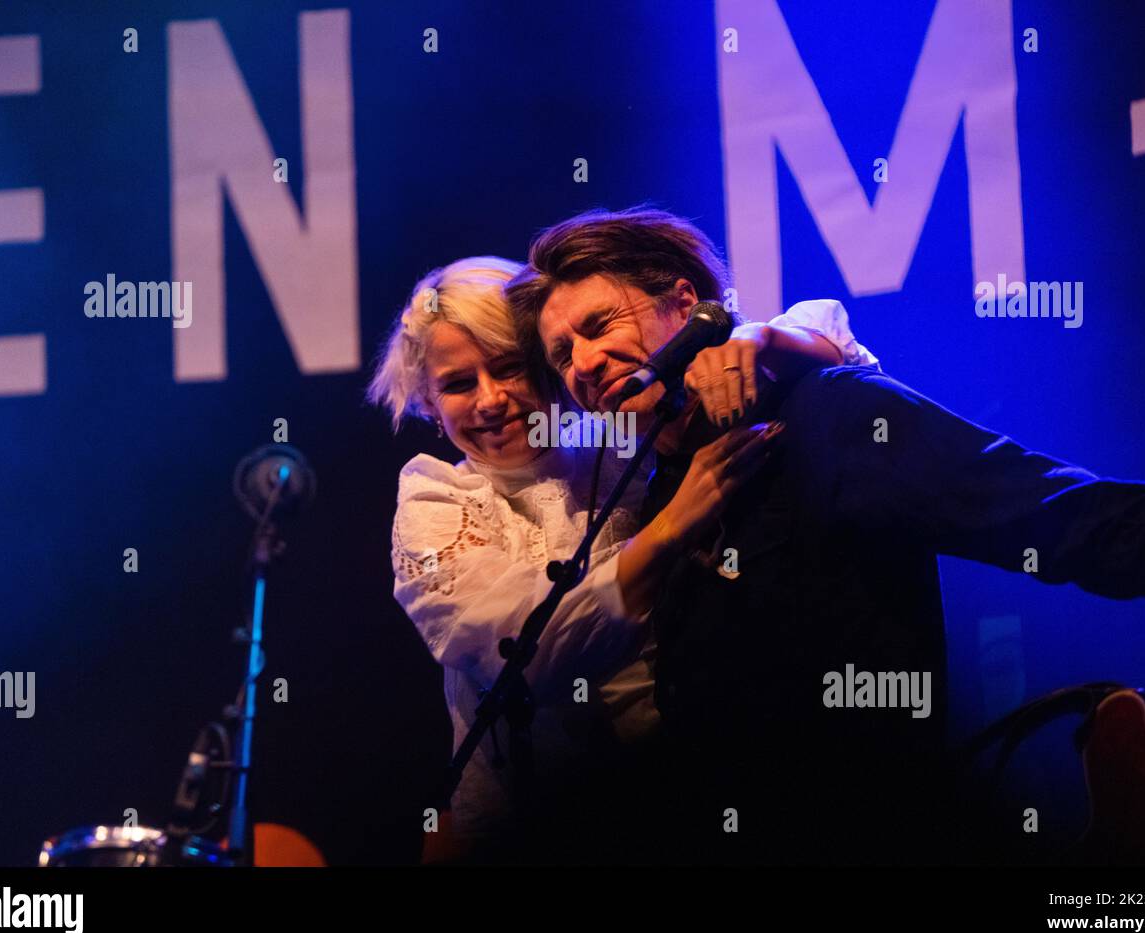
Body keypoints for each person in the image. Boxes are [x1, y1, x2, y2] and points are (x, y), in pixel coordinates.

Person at [505, 206, 1145, 864]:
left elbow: (1009, 493)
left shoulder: (827, 415)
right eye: (562, 355)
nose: (583, 367)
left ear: (685, 306)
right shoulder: (648, 496)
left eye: (598, 327)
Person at [368, 255, 878, 862]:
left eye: (510, 369)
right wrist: (671, 526)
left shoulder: (621, 439)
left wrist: (756, 338)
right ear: (426, 402)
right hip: (526, 831)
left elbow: (845, 361)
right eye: (457, 385)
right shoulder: (436, 499)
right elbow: (524, 656)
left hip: (676, 802)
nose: (490, 400)